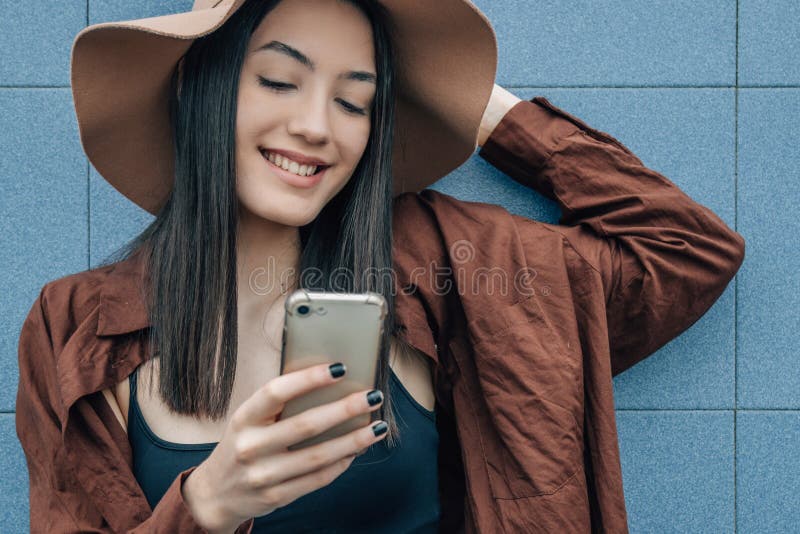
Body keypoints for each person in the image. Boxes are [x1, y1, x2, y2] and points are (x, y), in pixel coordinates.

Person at [14, 0, 745, 532]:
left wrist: (471, 105)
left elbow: (685, 249)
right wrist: (209, 505)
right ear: (192, 88)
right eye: (278, 81)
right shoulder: (75, 328)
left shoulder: (443, 264)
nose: (316, 126)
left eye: (355, 100)